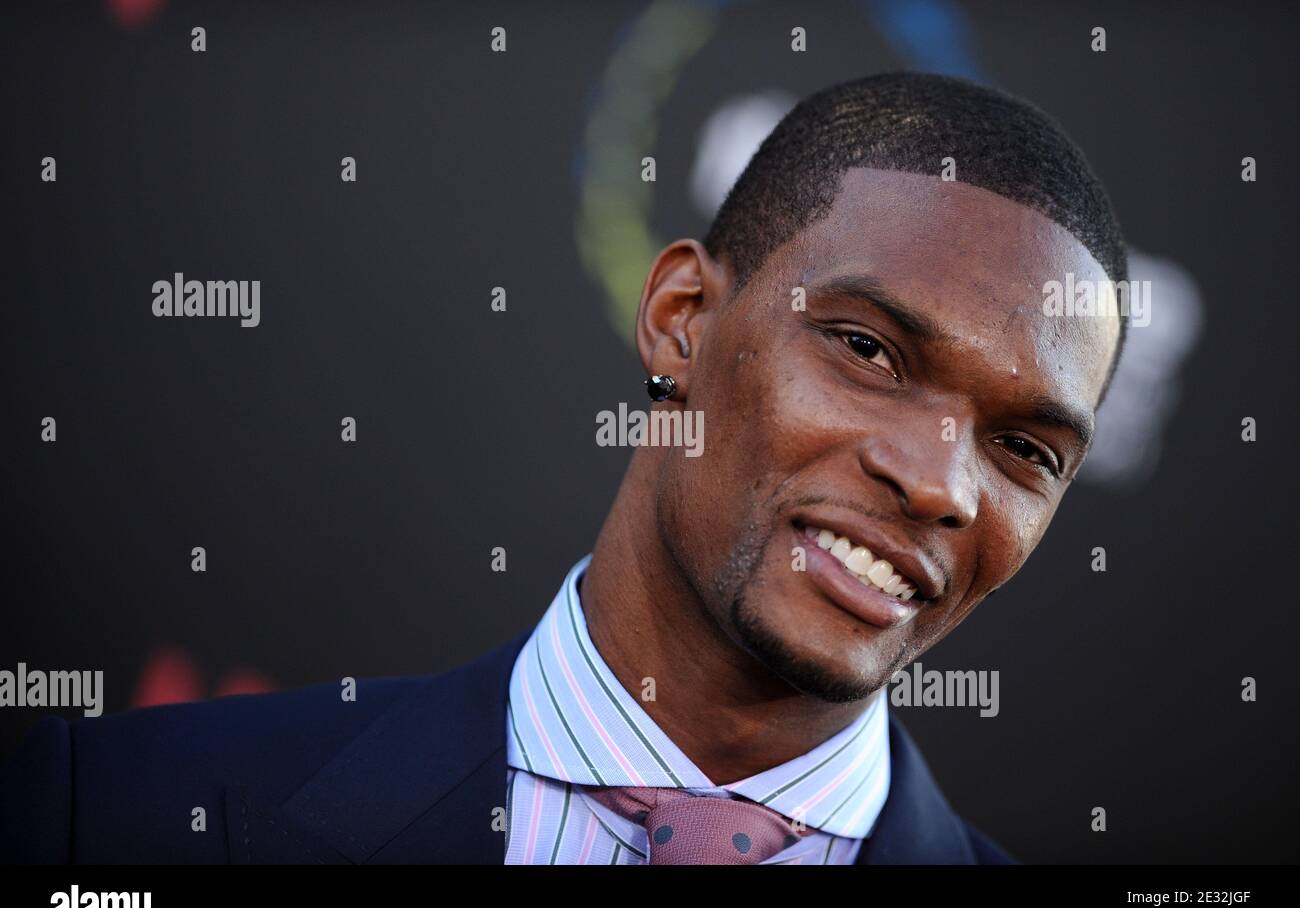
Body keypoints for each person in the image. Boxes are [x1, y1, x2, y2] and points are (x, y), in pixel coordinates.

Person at [0, 72, 1125, 864]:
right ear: (682, 319)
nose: (938, 484)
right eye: (867, 351)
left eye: (1024, 448)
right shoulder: (117, 820)